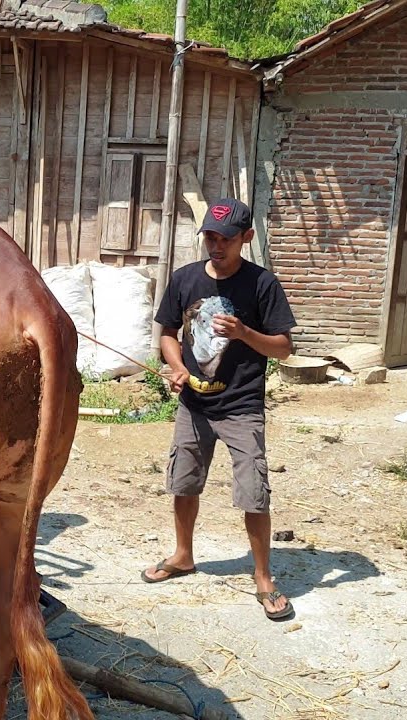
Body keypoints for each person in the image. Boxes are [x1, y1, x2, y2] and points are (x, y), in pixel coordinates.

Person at [141, 198, 297, 621]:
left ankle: (263, 578)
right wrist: (175, 369)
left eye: (225, 238)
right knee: (184, 481)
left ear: (245, 238)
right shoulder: (184, 279)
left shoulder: (262, 285)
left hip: (242, 406)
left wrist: (245, 332)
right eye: (210, 236)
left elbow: (284, 348)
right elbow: (169, 334)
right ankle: (183, 555)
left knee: (253, 491)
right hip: (194, 403)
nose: (216, 245)